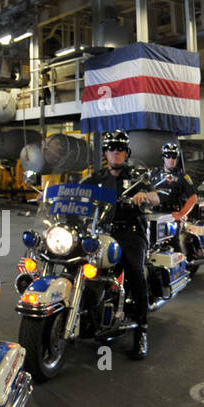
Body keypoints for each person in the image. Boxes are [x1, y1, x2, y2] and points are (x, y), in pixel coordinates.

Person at [82, 129, 159, 359]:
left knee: (135, 272)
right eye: (111, 149)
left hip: (130, 232)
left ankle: (141, 330)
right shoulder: (96, 178)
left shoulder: (137, 176)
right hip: (102, 232)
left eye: (120, 149)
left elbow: (156, 196)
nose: (115, 153)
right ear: (105, 152)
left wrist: (144, 196)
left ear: (126, 153)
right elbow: (77, 194)